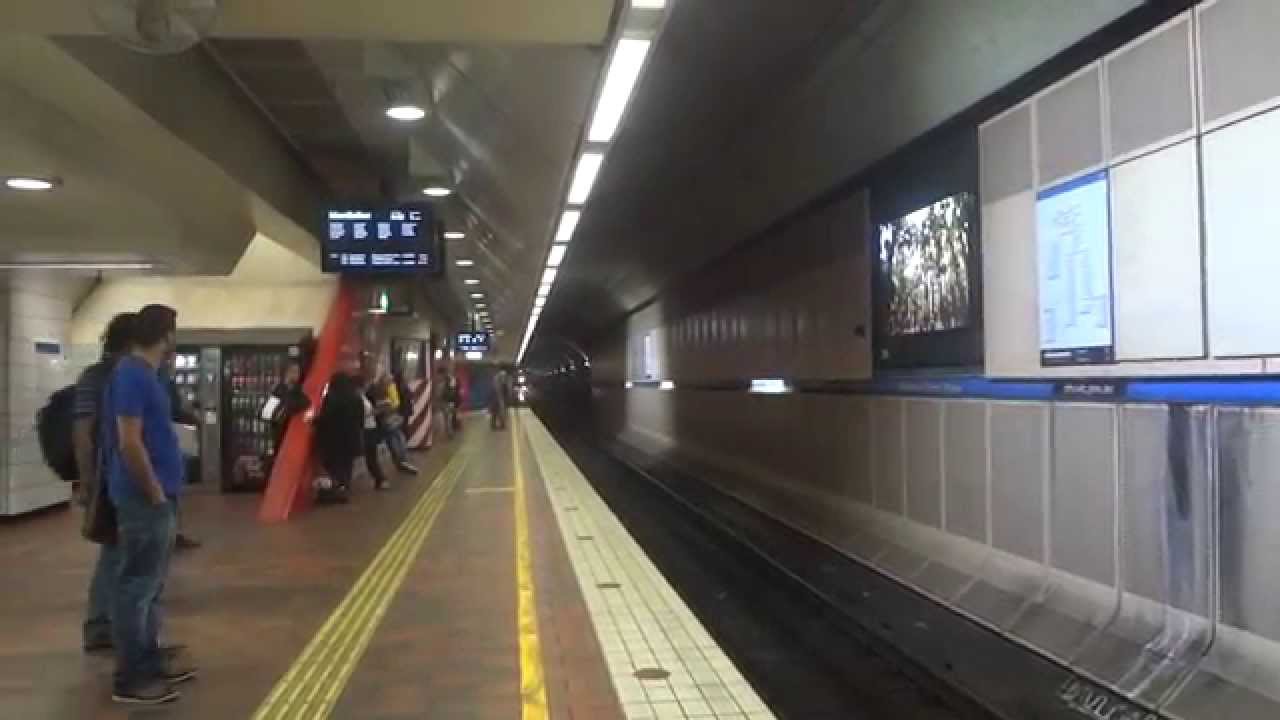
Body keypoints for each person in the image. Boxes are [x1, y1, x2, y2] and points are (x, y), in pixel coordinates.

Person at [103, 304, 195, 705]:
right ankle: (129, 677)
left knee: (151, 586)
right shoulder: (131, 375)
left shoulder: (149, 375)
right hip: (144, 499)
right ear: (166, 334)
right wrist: (155, 492)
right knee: (136, 587)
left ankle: (148, 658)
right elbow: (129, 441)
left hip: (159, 497)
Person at [73, 312, 136, 654]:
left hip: (113, 473)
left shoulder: (99, 375)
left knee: (118, 549)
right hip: (113, 474)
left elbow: (83, 431)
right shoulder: (106, 376)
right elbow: (84, 432)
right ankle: (102, 623)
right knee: (116, 550)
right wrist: (87, 481)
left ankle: (107, 622)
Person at [162, 368, 201, 551]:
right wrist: (194, 419)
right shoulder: (163, 381)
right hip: (169, 445)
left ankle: (170, 534)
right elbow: (175, 411)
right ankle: (171, 535)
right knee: (171, 492)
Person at [313, 372, 363, 503]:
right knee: (346, 467)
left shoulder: (332, 398)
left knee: (333, 468)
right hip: (351, 439)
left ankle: (333, 492)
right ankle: (343, 489)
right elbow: (360, 420)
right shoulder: (356, 398)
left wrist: (313, 420)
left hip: (334, 441)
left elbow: (326, 418)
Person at [369, 370, 416, 475]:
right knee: (398, 436)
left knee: (393, 439)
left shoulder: (380, 388)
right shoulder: (393, 386)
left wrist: (383, 408)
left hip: (387, 417)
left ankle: (400, 460)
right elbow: (397, 403)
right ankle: (402, 460)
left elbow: (390, 403)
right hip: (395, 416)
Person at [269, 360, 311, 461]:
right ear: (286, 373)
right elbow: (270, 411)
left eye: (297, 372)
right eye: (293, 371)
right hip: (279, 431)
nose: (296, 375)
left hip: (292, 433)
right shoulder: (279, 389)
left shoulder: (298, 390)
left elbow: (305, 402)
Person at [360, 377, 393, 490]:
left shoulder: (363, 396)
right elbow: (364, 413)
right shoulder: (360, 397)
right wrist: (378, 410)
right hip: (366, 429)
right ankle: (381, 479)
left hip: (371, 428)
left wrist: (379, 409)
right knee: (371, 457)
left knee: (371, 457)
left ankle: (381, 479)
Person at [430, 366, 452, 445]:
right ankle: (444, 434)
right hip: (440, 403)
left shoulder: (447, 382)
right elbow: (435, 393)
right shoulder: (437, 383)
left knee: (446, 418)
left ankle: (448, 433)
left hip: (445, 402)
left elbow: (447, 393)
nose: (438, 376)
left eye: (439, 374)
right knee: (442, 419)